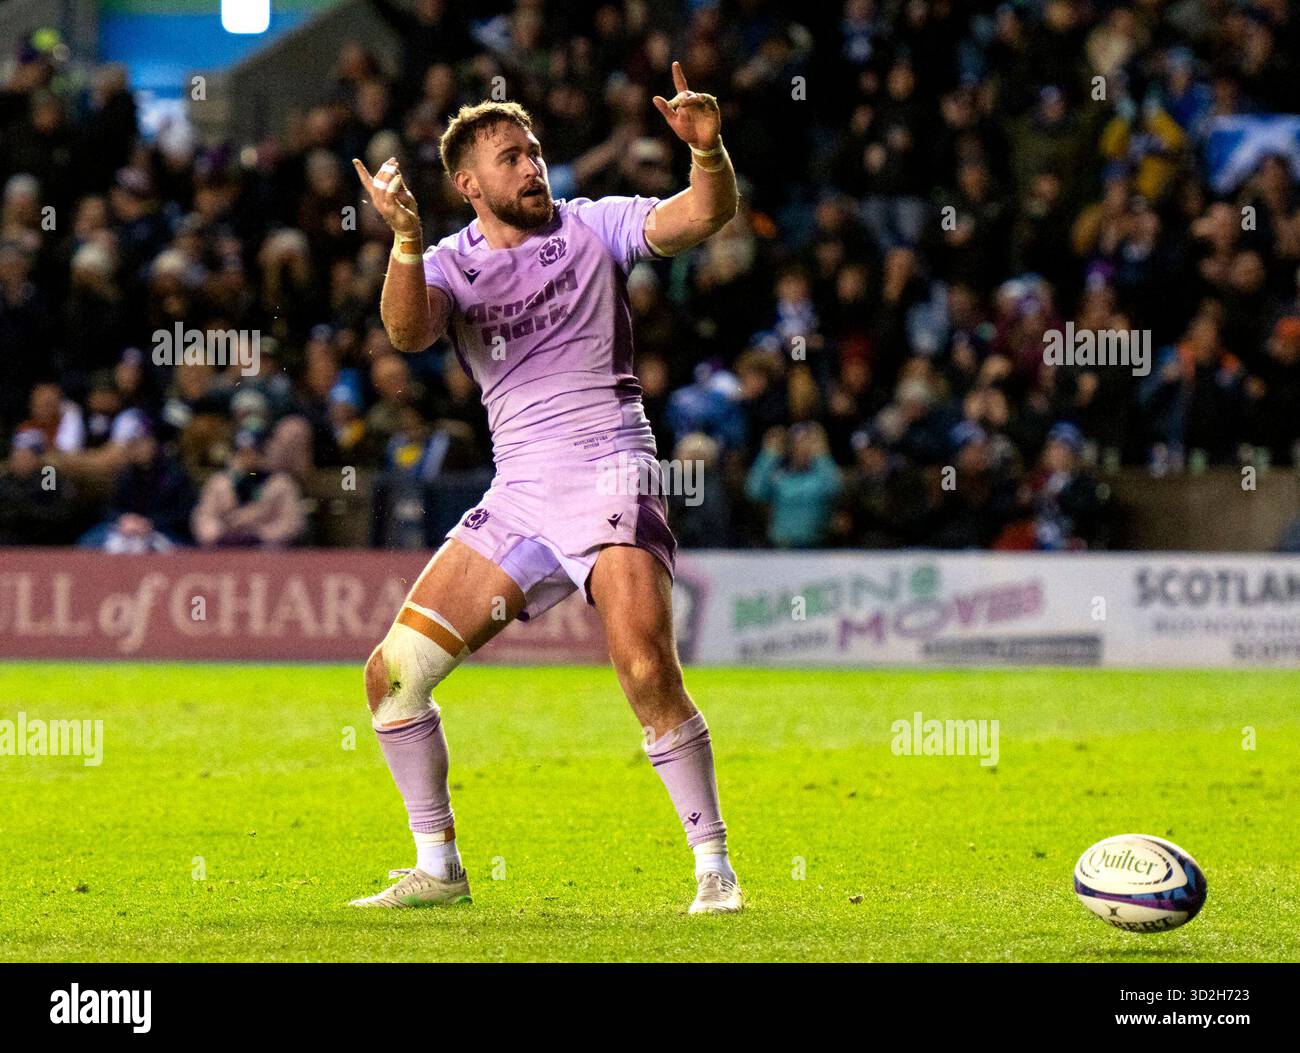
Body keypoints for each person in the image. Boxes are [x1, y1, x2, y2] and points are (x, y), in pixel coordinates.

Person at [347, 62, 743, 913]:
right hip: (521, 489)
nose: (532, 167)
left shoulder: (596, 226)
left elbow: (703, 214)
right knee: (392, 676)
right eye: (510, 157)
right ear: (468, 183)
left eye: (533, 152)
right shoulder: (448, 262)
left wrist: (707, 156)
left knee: (644, 667)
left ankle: (713, 864)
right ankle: (439, 867)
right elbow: (409, 332)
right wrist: (406, 240)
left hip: (610, 465)